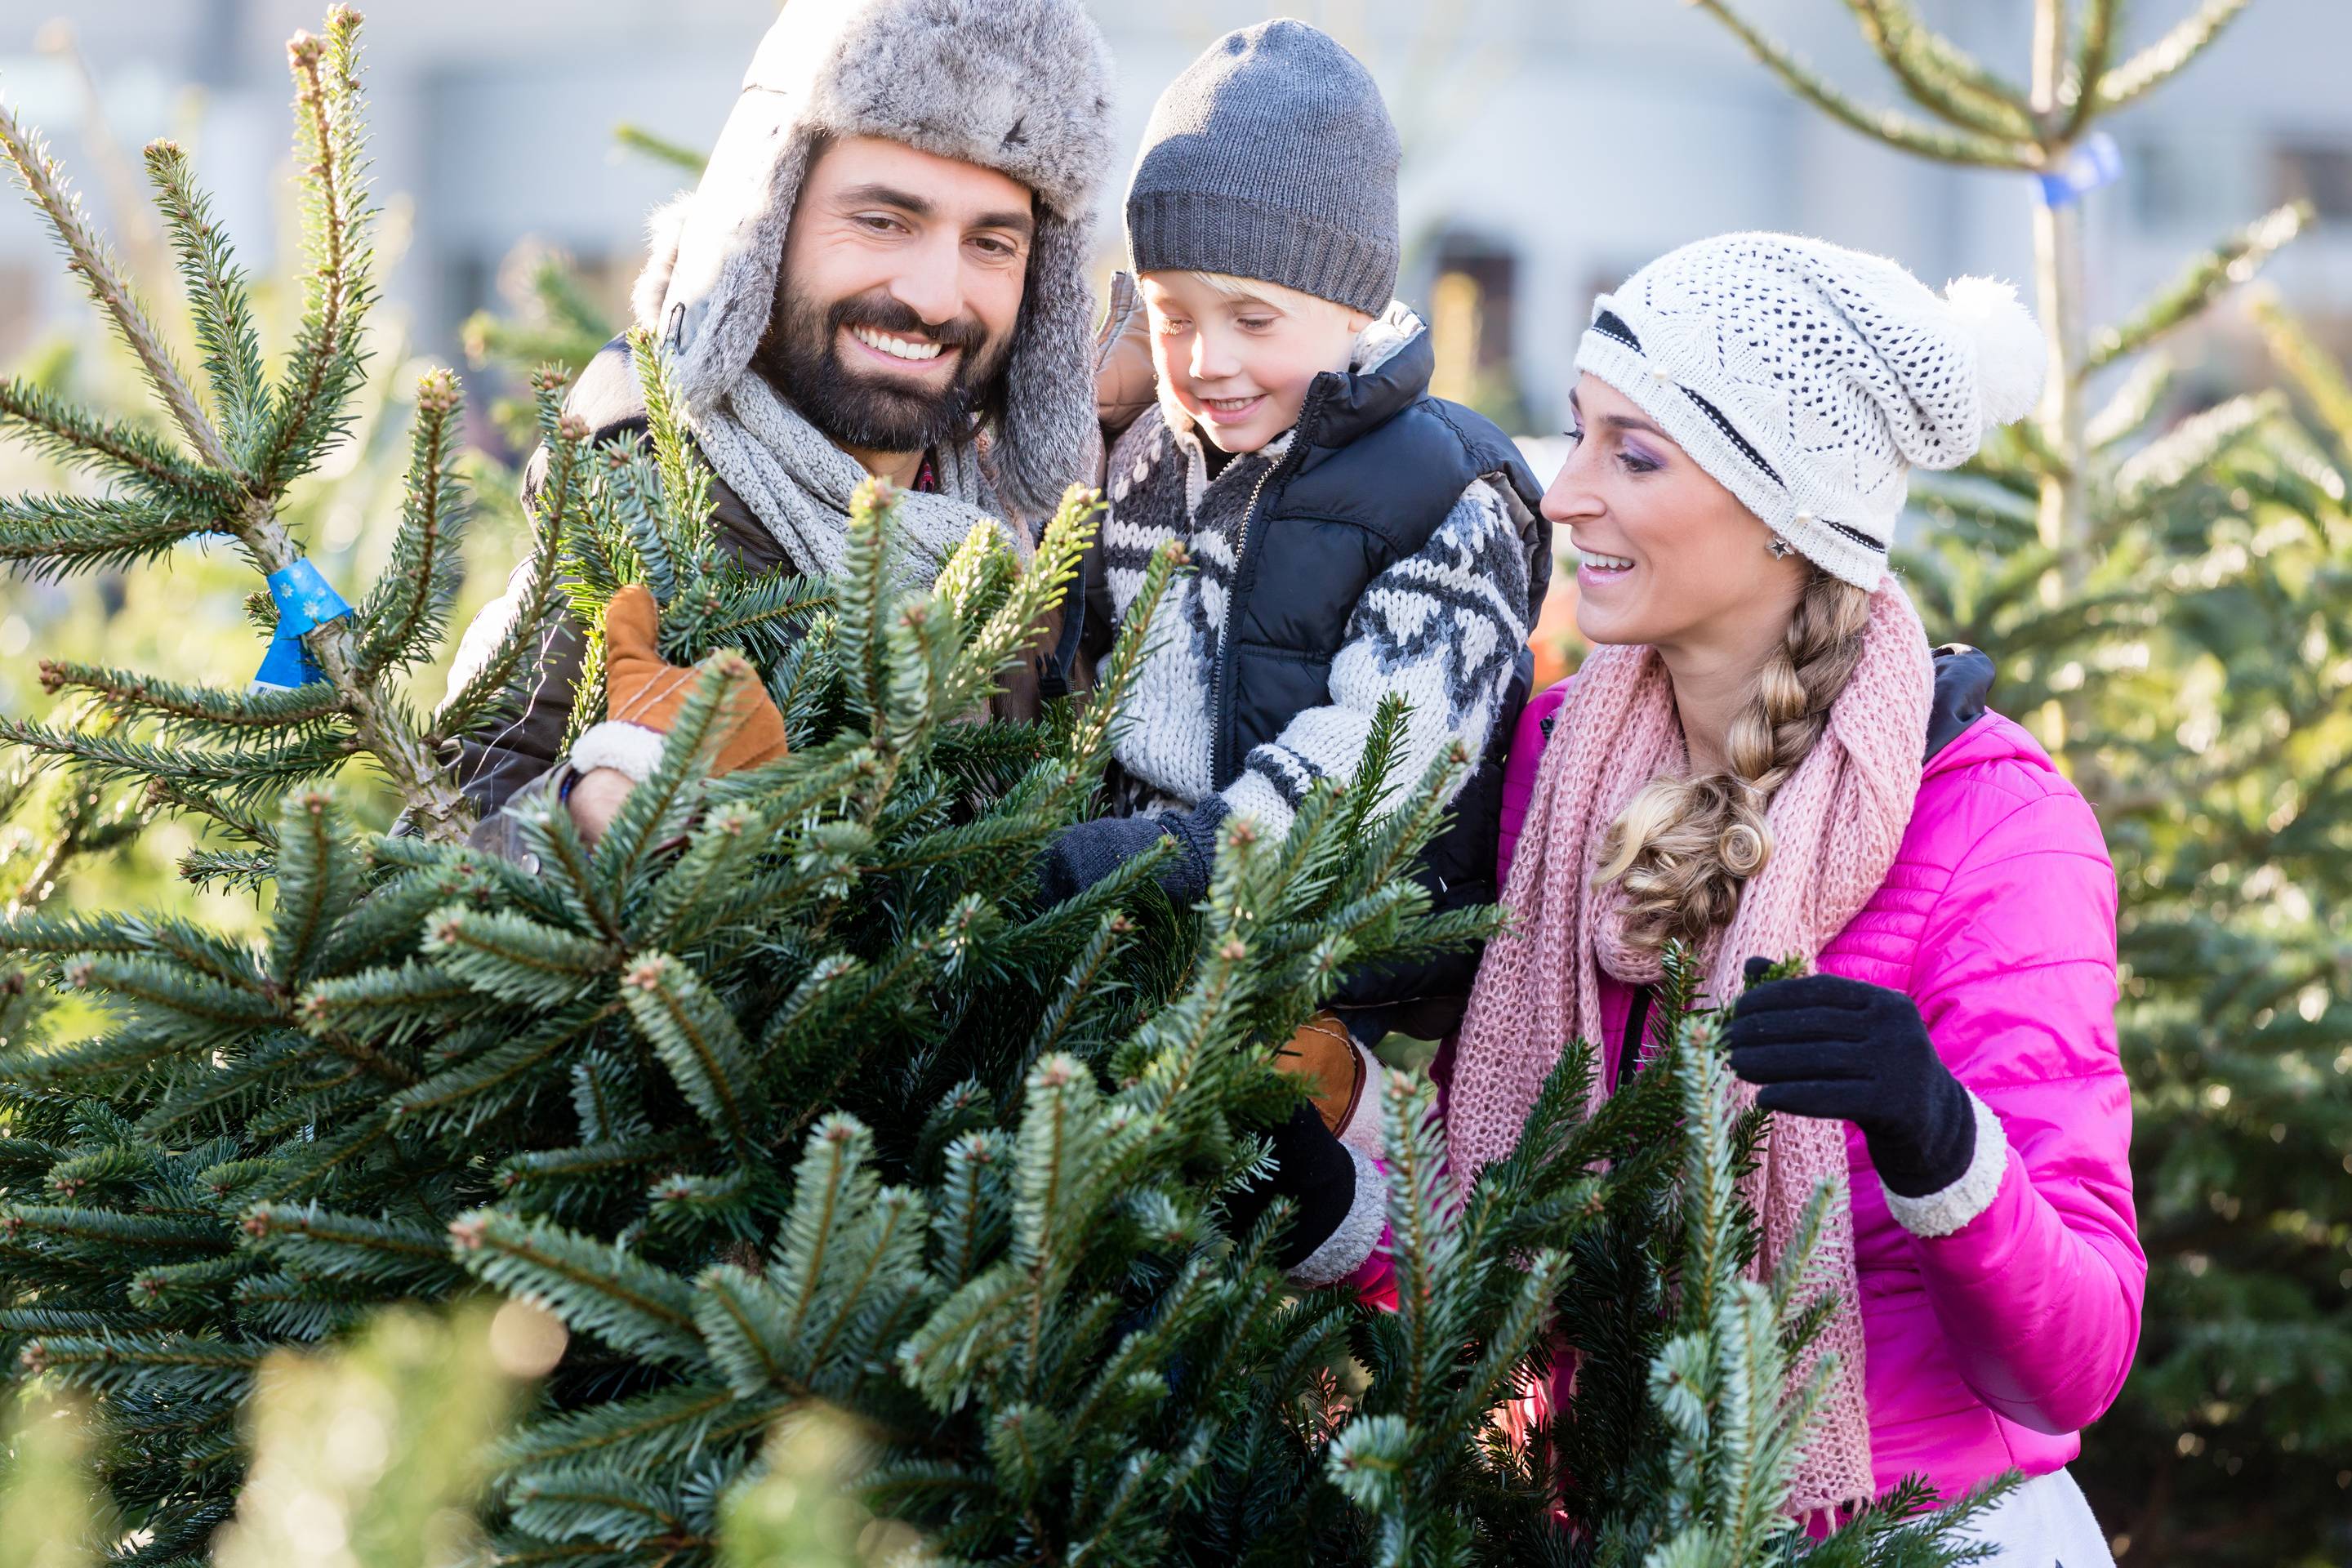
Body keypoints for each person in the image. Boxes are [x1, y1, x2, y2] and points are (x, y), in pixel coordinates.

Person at [1432, 234, 2144, 1560]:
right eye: (1578, 437)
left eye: (1632, 454)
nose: (1565, 494)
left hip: (1921, 1534)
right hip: (1612, 1518)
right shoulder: (1553, 764)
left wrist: (1941, 1140)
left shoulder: (1999, 828)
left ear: (1785, 506)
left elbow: (2074, 1367)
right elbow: (1491, 1196)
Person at [1034, 27, 1550, 1255]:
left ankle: (1358, 1245)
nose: (1207, 363)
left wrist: (1153, 864)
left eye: (1253, 318)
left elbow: (1387, 765)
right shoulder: (1136, 454)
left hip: (1315, 960)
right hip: (1114, 940)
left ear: (1354, 301)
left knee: (1285, 1235)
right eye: (1171, 318)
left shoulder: (1449, 496)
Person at [439, 0, 1118, 855]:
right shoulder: (635, 521)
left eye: (992, 244)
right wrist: (591, 813)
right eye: (882, 221)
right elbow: (412, 896)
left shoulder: (1028, 545)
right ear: (760, 230)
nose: (937, 296)